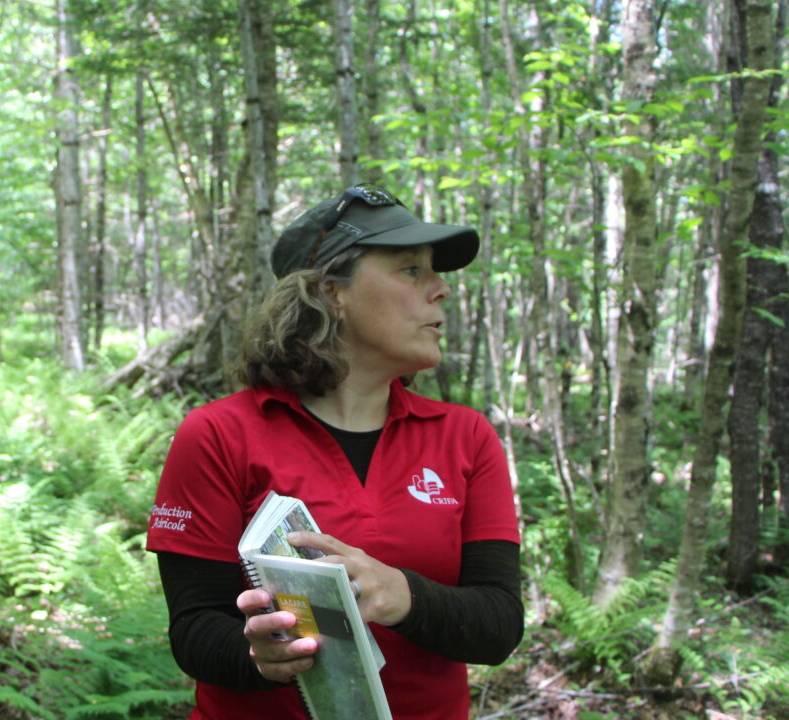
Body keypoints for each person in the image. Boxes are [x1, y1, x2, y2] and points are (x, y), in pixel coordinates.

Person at [146, 184, 523, 720]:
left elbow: (499, 626)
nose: (441, 289)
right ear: (330, 292)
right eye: (411, 269)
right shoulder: (218, 434)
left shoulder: (464, 437)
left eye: (435, 270)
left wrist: (402, 595)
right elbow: (194, 629)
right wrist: (259, 654)